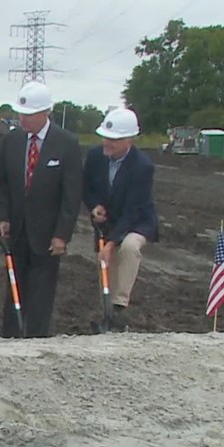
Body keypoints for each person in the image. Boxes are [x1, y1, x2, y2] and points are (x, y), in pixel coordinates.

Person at [0, 81, 83, 337]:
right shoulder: (11, 142)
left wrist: (62, 234)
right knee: (14, 288)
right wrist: (4, 217)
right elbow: (1, 185)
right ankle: (10, 335)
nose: (22, 119)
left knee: (42, 292)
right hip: (16, 232)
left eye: (28, 114)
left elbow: (71, 195)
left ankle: (36, 338)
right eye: (20, 113)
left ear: (45, 113)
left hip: (47, 234)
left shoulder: (66, 144)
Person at [83, 107, 158, 330]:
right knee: (107, 263)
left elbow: (132, 211)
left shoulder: (142, 167)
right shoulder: (96, 156)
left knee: (128, 247)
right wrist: (94, 206)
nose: (107, 143)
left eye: (114, 140)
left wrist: (111, 242)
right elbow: (86, 187)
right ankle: (107, 315)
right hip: (109, 220)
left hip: (138, 221)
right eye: (106, 137)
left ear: (129, 140)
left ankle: (119, 305)